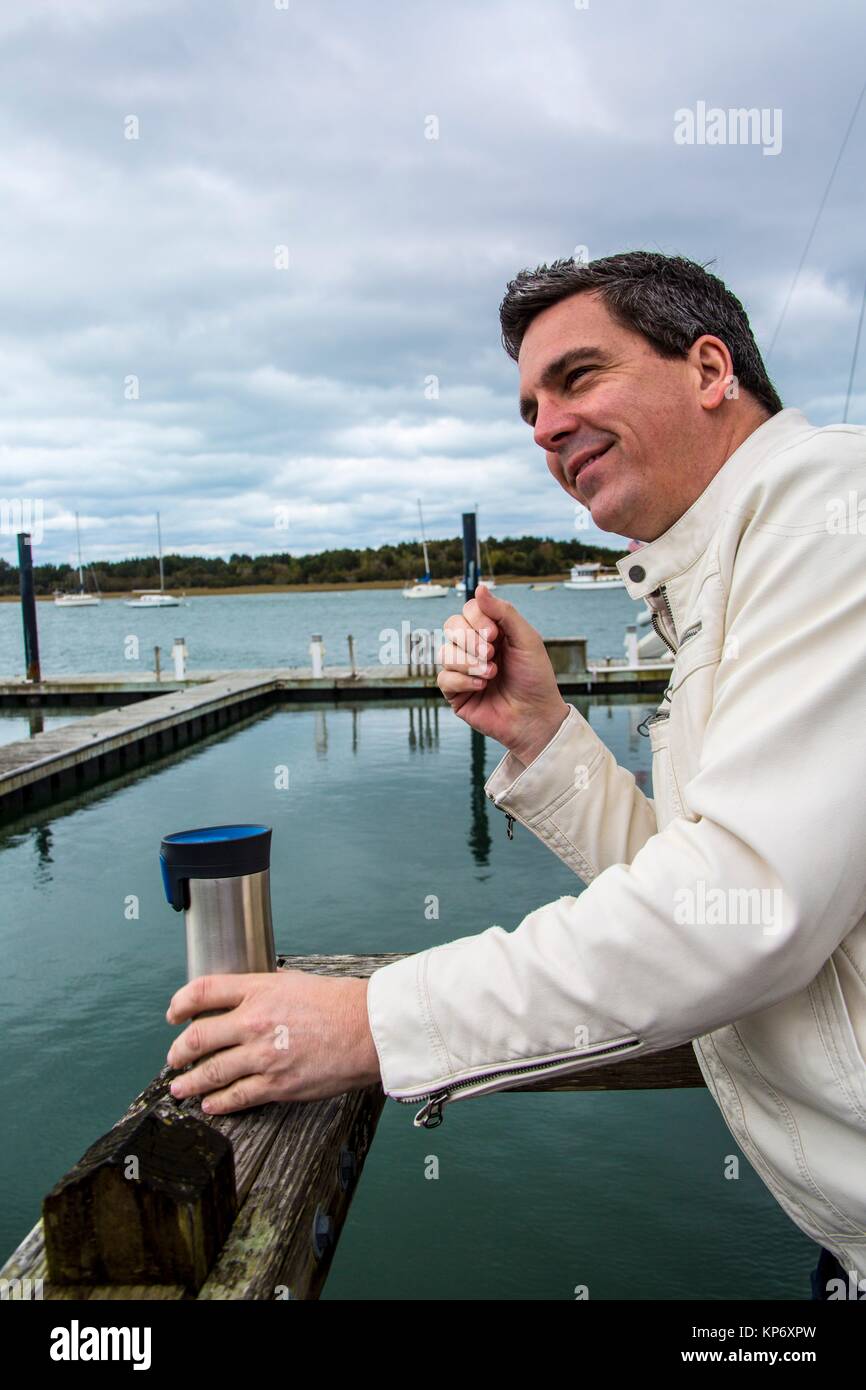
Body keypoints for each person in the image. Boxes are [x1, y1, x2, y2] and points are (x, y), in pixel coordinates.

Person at [165, 252, 866, 1297]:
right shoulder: (726, 568)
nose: (541, 426)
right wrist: (540, 734)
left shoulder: (826, 509)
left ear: (709, 369)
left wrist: (370, 1020)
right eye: (528, 406)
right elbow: (714, 886)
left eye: (576, 378)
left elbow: (741, 915)